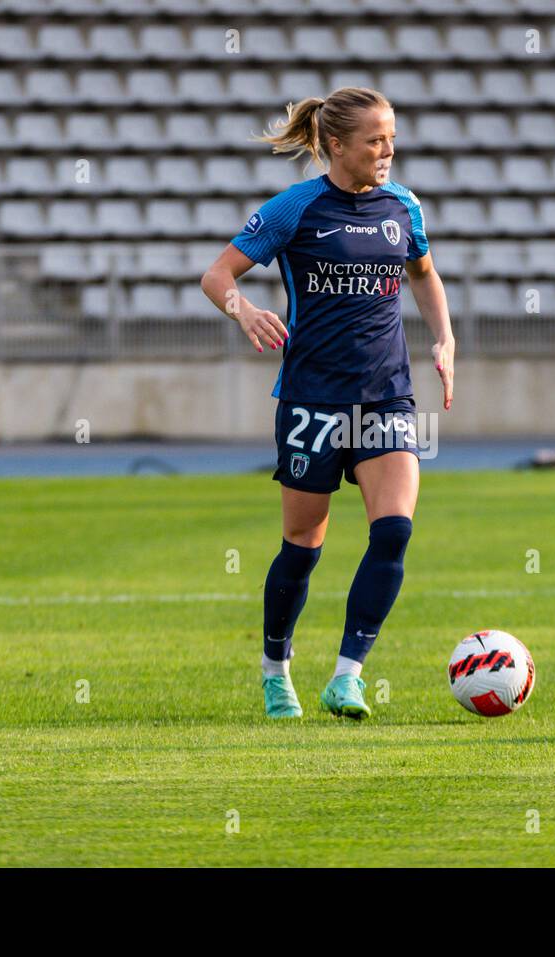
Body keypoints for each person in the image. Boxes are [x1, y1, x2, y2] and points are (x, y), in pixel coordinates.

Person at [200, 87, 456, 720]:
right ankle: (275, 670)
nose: (388, 149)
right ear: (336, 146)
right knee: (302, 546)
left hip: (387, 397)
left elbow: (423, 274)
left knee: (394, 531)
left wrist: (445, 339)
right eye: (375, 139)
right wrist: (246, 311)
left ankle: (347, 676)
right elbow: (217, 275)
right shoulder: (297, 207)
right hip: (312, 400)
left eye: (391, 137)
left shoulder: (404, 207)